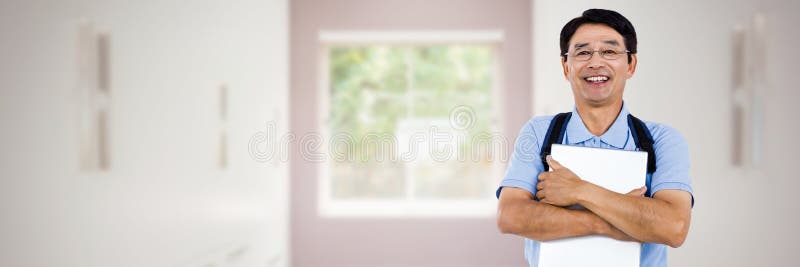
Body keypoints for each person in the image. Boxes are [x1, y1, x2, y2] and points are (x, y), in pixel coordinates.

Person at [495, 9, 694, 267]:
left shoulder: (663, 140)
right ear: (566, 67)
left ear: (631, 65)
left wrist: (578, 190)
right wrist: (616, 222)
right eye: (582, 52)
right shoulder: (538, 132)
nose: (595, 62)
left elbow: (674, 227)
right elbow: (510, 216)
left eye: (610, 52)